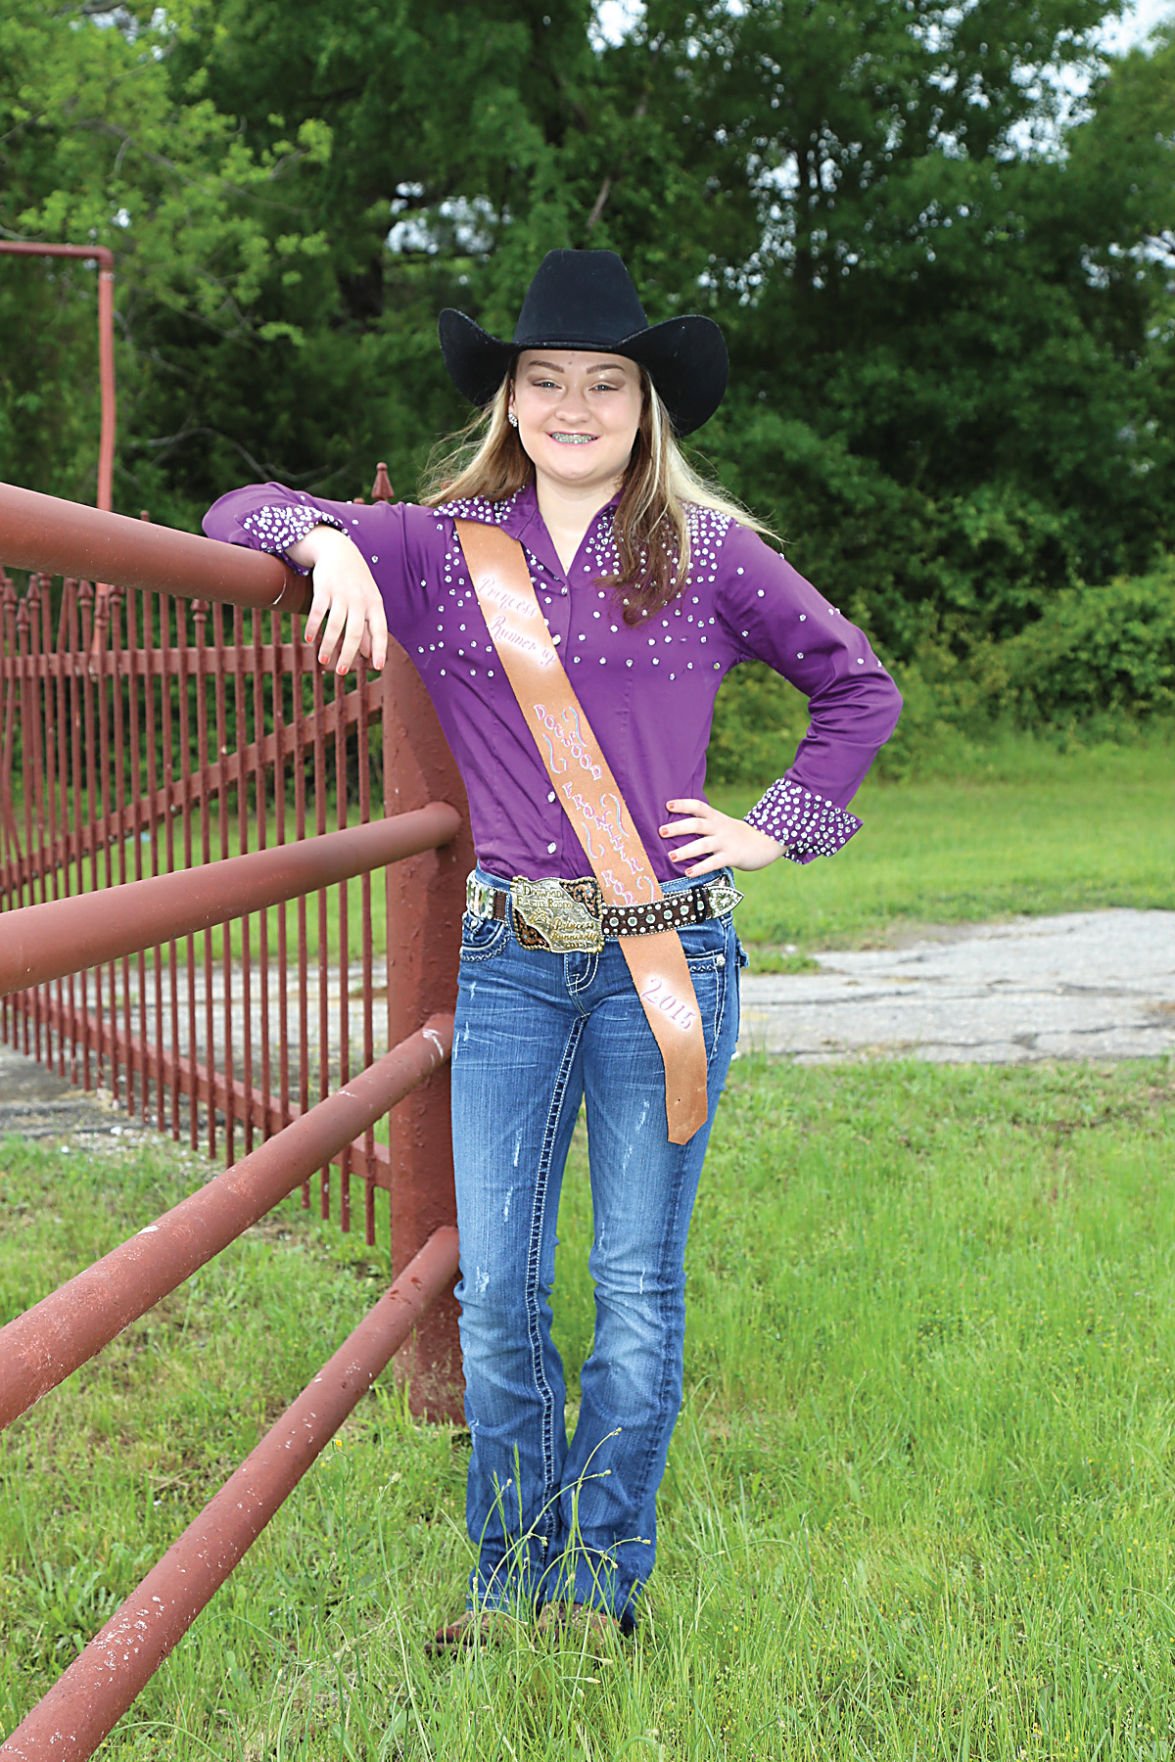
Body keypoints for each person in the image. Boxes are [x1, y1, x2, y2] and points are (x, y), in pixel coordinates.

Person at [203, 248, 902, 1649]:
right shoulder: (441, 551)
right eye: (546, 381)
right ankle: (506, 1570)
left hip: (669, 965)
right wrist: (328, 539)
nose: (575, 404)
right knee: (504, 1281)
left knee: (637, 1285)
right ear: (509, 403)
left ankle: (598, 1580)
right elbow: (236, 506)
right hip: (513, 960)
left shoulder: (711, 555)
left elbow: (856, 685)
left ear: (645, 408)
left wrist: (778, 826)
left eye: (606, 382)